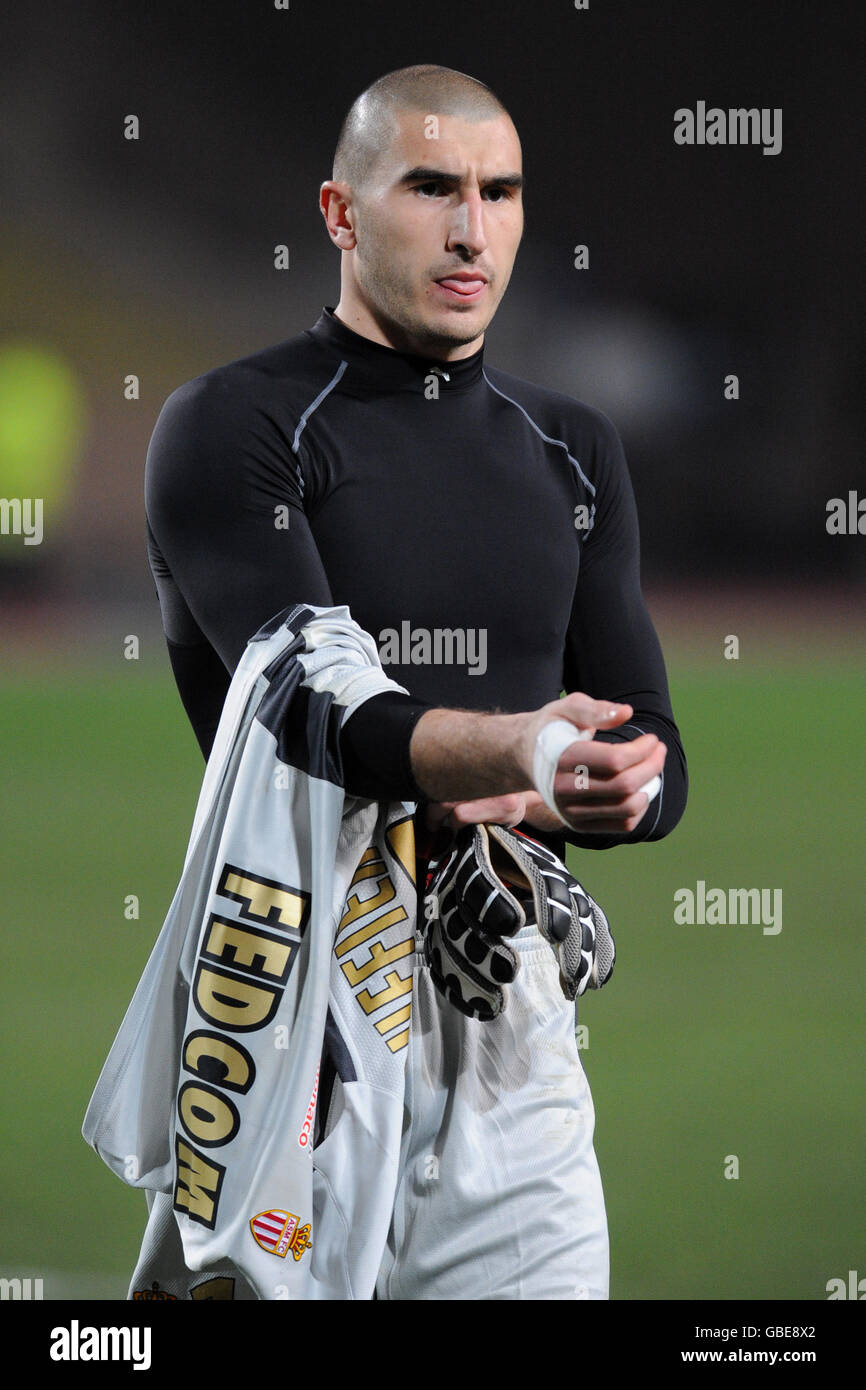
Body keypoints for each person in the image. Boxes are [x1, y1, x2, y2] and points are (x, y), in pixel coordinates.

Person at [145, 63, 687, 1300]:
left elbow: (656, 749)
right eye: (430, 186)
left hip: (512, 1026)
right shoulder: (235, 425)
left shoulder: (572, 447)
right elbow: (322, 709)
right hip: (296, 1024)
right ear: (338, 212)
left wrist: (605, 790)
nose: (470, 228)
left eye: (498, 192)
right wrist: (531, 755)